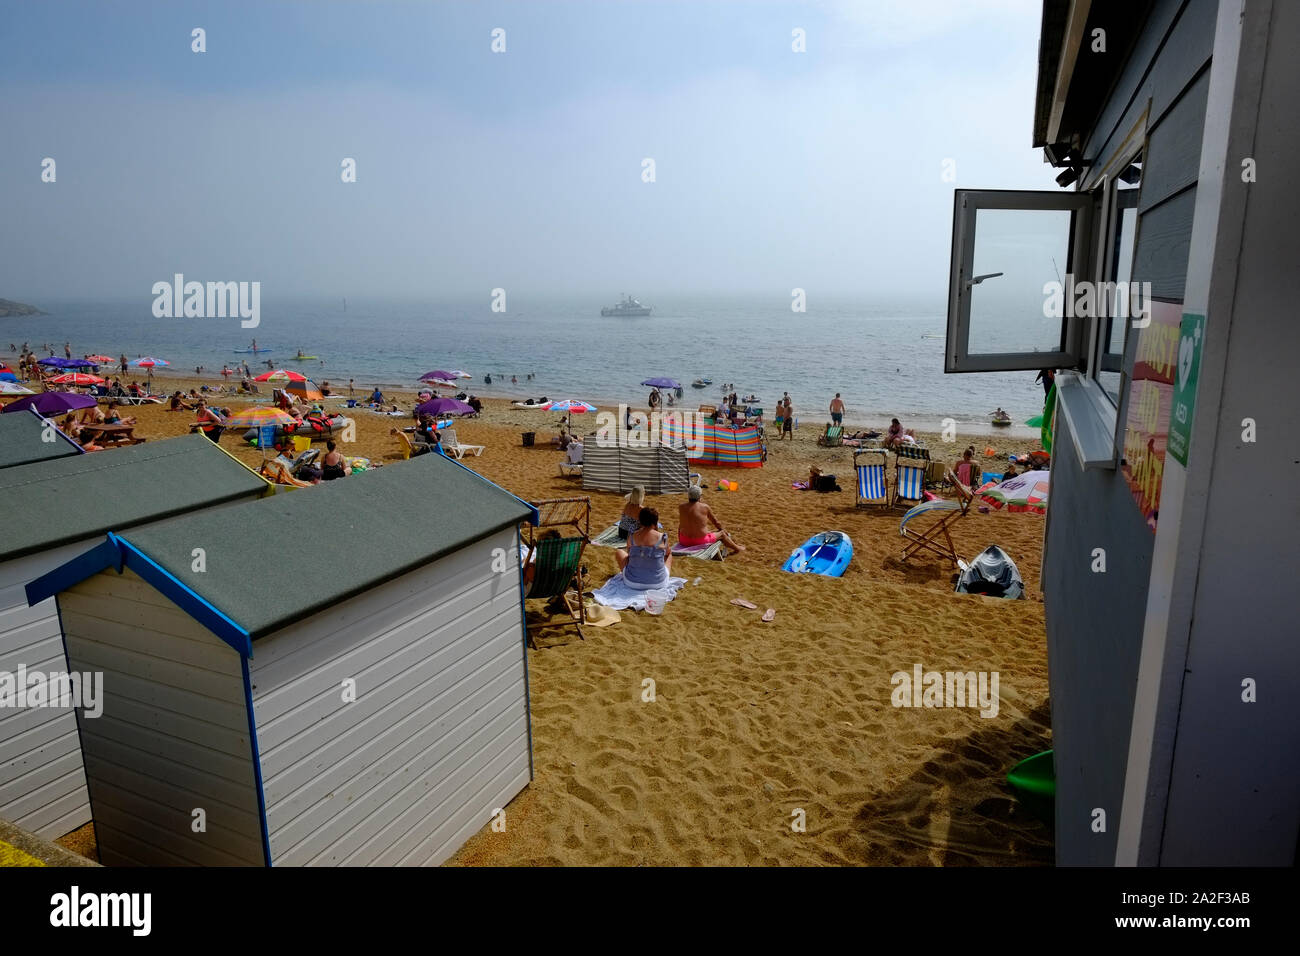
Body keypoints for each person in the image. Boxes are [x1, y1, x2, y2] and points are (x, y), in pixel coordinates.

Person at [615, 507, 673, 590]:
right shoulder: (662, 537)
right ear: (655, 522)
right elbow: (667, 553)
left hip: (632, 582)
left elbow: (629, 556)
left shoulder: (632, 536)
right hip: (658, 583)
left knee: (619, 552)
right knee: (669, 555)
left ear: (640, 521)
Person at [678, 484, 745, 553]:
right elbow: (716, 522)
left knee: (682, 525)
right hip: (700, 541)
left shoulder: (681, 507)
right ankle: (737, 548)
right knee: (722, 534)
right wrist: (723, 530)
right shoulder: (705, 507)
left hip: (684, 541)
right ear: (700, 496)